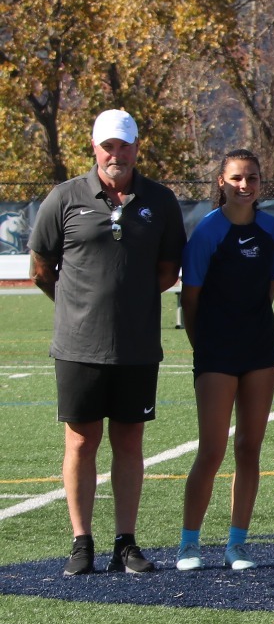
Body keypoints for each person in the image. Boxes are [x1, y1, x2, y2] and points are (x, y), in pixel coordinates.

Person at [31, 109, 187, 575]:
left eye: (123, 145)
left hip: (137, 345)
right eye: (107, 146)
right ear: (94, 148)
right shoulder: (64, 197)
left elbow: (167, 271)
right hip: (77, 346)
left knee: (129, 440)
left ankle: (126, 542)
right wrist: (78, 305)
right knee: (80, 442)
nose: (115, 154)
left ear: (137, 147)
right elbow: (42, 267)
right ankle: (81, 542)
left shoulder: (159, 200)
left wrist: (130, 300)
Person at [175, 149, 274, 572]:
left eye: (253, 178)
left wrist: (248, 330)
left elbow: (268, 290)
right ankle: (189, 544)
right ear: (221, 181)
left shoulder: (273, 229)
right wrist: (207, 348)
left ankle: (237, 545)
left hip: (260, 350)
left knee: (249, 448)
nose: (246, 186)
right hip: (216, 352)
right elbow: (191, 300)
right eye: (237, 178)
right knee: (212, 449)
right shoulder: (207, 231)